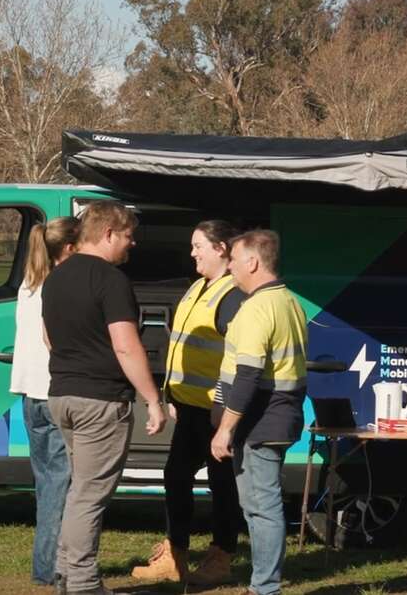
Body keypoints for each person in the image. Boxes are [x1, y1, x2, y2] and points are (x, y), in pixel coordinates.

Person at [43, 200, 167, 595]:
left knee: (80, 488)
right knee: (91, 494)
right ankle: (81, 582)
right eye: (129, 237)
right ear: (109, 233)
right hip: (99, 400)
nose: (132, 246)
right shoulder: (111, 281)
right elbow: (126, 346)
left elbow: (48, 338)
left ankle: (66, 573)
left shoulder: (55, 278)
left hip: (61, 395)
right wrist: (152, 398)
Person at [131, 220, 245, 586]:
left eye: (199, 246)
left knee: (222, 484)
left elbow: (240, 359)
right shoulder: (199, 286)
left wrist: (226, 414)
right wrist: (172, 396)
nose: (192, 252)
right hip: (190, 406)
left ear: (222, 249)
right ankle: (175, 554)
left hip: (216, 410)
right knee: (176, 476)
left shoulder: (233, 295)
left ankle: (222, 555)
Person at [210, 230, 308, 595]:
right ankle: (262, 583)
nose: (230, 266)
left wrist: (225, 428)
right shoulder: (290, 302)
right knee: (255, 505)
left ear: (252, 262)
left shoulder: (255, 308)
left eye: (234, 259)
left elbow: (247, 376)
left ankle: (265, 587)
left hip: (261, 421)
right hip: (280, 416)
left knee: (262, 506)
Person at [10, 216, 81, 587]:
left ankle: (45, 562)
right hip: (54, 390)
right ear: (69, 248)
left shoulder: (30, 283)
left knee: (46, 483)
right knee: (61, 484)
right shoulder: (63, 286)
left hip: (29, 394)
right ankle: (51, 566)